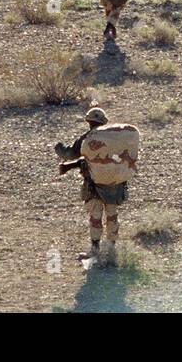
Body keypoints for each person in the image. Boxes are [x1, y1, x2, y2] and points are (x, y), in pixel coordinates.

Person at [56, 106, 130, 262]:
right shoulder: (115, 138)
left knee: (95, 216)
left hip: (94, 184)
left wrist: (59, 148)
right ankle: (111, 250)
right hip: (114, 184)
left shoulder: (87, 138)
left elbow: (70, 154)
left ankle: (95, 250)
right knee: (112, 216)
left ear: (89, 121)